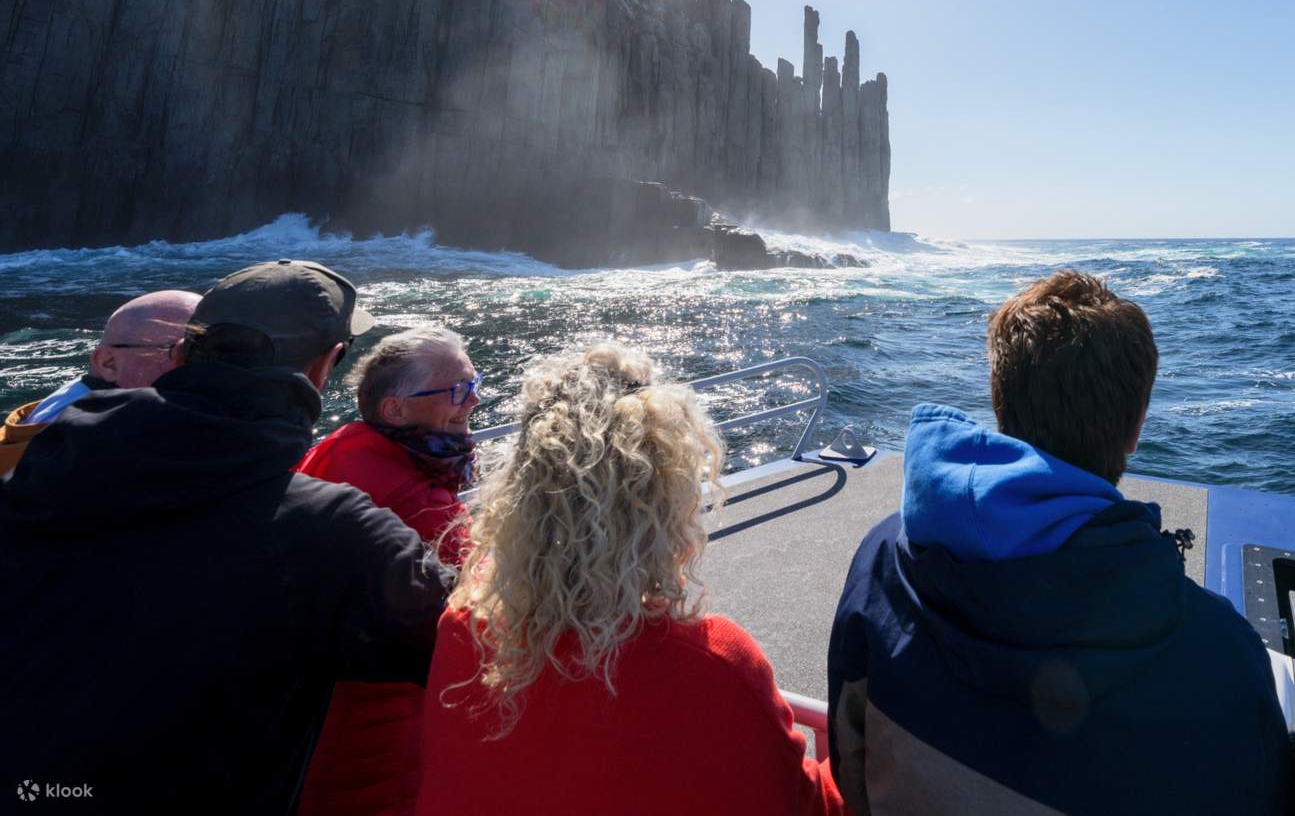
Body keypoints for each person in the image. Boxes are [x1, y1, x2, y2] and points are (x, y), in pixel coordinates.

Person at [827, 271, 1288, 815]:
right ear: (1136, 426)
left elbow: (849, 763)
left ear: (1001, 406)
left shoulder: (884, 561)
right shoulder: (1223, 657)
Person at [0, 260, 449, 815]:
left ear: (183, 355)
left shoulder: (39, 466)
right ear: (323, 369)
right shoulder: (328, 530)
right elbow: (479, 648)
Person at [415, 343, 846, 816]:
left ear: (522, 487)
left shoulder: (463, 631)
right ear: (663, 502)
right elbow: (805, 805)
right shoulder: (715, 663)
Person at [296, 326, 481, 816]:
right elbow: (480, 616)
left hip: (312, 714)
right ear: (395, 410)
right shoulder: (417, 505)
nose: (475, 399)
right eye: (458, 390)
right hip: (378, 727)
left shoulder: (340, 449)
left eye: (474, 382)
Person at [0, 289, 200, 475]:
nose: (207, 365)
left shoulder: (81, 404)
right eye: (185, 351)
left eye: (216, 349)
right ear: (109, 363)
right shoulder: (86, 444)